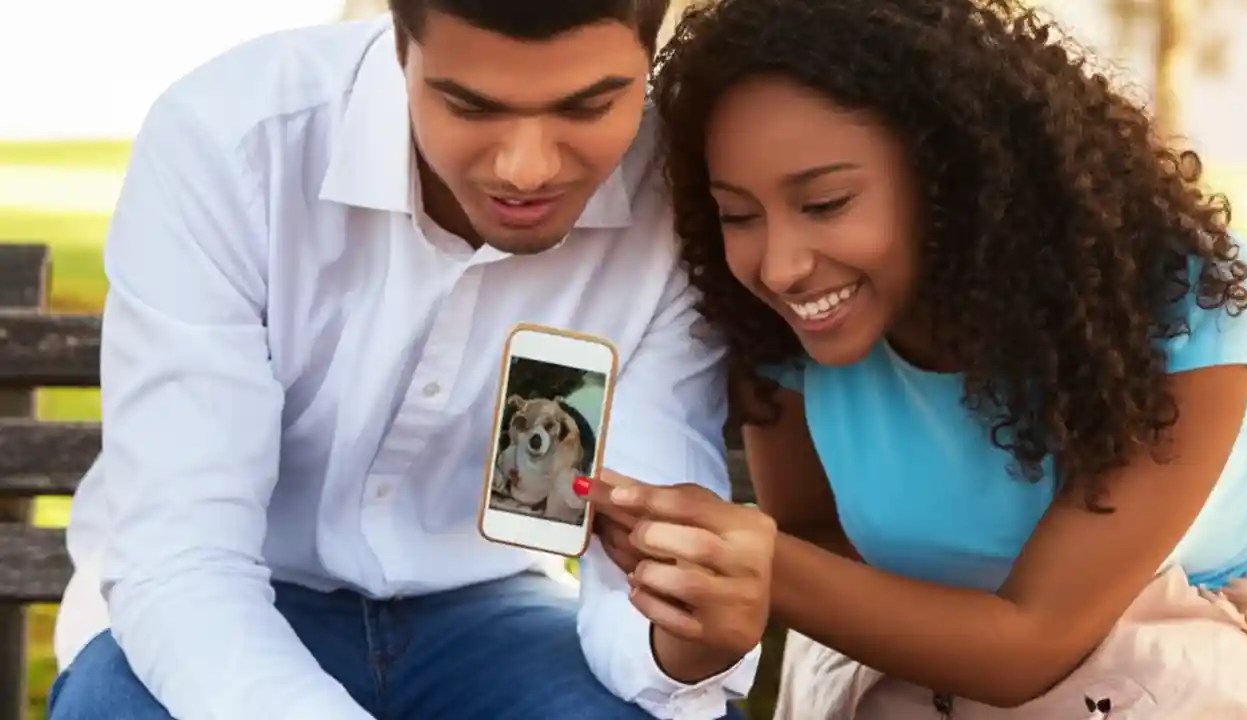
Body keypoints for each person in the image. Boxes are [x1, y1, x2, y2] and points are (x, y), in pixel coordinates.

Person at [46, 2, 771, 718]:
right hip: (221, 603)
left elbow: (635, 584)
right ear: (400, 44)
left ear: (646, 54)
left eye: (588, 108)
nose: (526, 168)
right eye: (471, 107)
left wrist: (684, 643)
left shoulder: (671, 200)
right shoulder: (231, 144)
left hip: (494, 616)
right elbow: (183, 567)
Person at [587, 0, 1247, 716]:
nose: (782, 265)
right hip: (906, 652)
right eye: (738, 214)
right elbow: (813, 534)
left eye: (825, 203)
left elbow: (1033, 642)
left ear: (952, 176)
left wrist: (749, 556)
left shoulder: (1169, 297)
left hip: (1182, 645)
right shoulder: (780, 325)